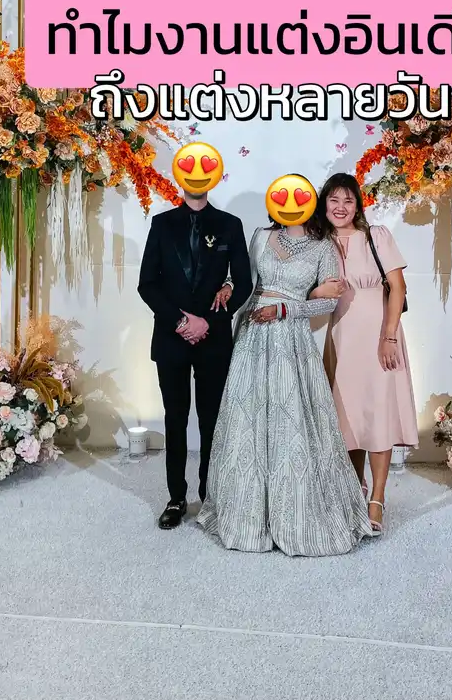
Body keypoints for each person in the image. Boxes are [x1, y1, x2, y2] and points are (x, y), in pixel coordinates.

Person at [196, 198, 373, 556]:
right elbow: (243, 278)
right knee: (247, 420)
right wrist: (229, 286)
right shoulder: (261, 236)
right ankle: (248, 515)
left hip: (291, 339)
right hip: (252, 336)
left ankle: (296, 514)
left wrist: (284, 309)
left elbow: (328, 302)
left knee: (291, 418)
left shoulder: (323, 246)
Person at [138, 188, 253, 530]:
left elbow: (244, 283)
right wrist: (181, 322)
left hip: (213, 339)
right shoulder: (161, 223)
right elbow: (147, 284)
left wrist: (209, 321)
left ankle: (209, 495)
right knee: (175, 419)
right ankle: (176, 498)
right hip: (170, 339)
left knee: (211, 421)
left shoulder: (230, 224)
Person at [309, 173, 418, 535]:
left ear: (357, 205)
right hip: (341, 337)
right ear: (324, 205)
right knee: (350, 419)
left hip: (379, 335)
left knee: (379, 416)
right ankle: (355, 490)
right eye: (333, 200)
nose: (340, 208)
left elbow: (398, 287)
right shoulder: (318, 244)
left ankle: (378, 499)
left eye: (348, 200)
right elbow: (307, 291)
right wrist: (317, 291)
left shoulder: (376, 236)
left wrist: (389, 336)